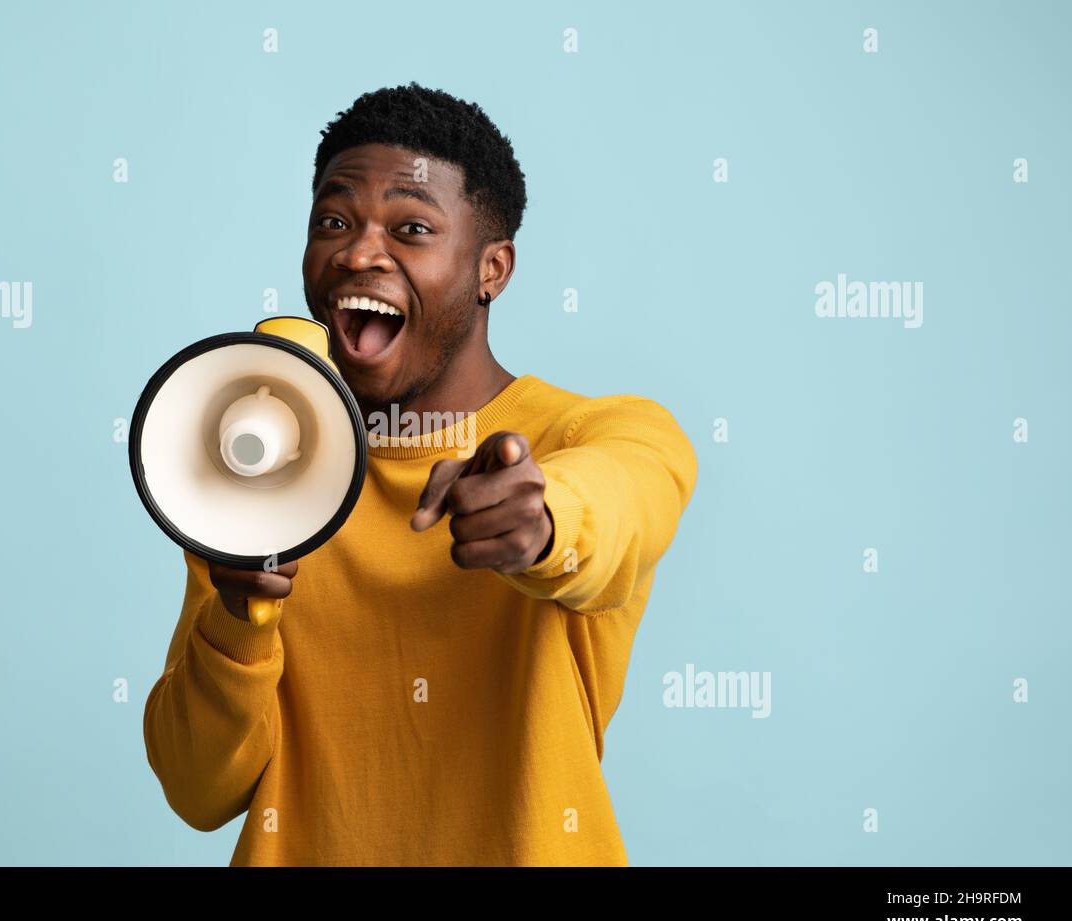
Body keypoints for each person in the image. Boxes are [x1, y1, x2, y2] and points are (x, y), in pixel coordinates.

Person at [143, 82, 698, 865]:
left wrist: (541, 524)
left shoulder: (601, 433)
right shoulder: (253, 473)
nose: (359, 253)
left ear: (492, 269)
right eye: (332, 222)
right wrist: (239, 617)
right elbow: (199, 793)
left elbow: (621, 500)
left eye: (411, 228)